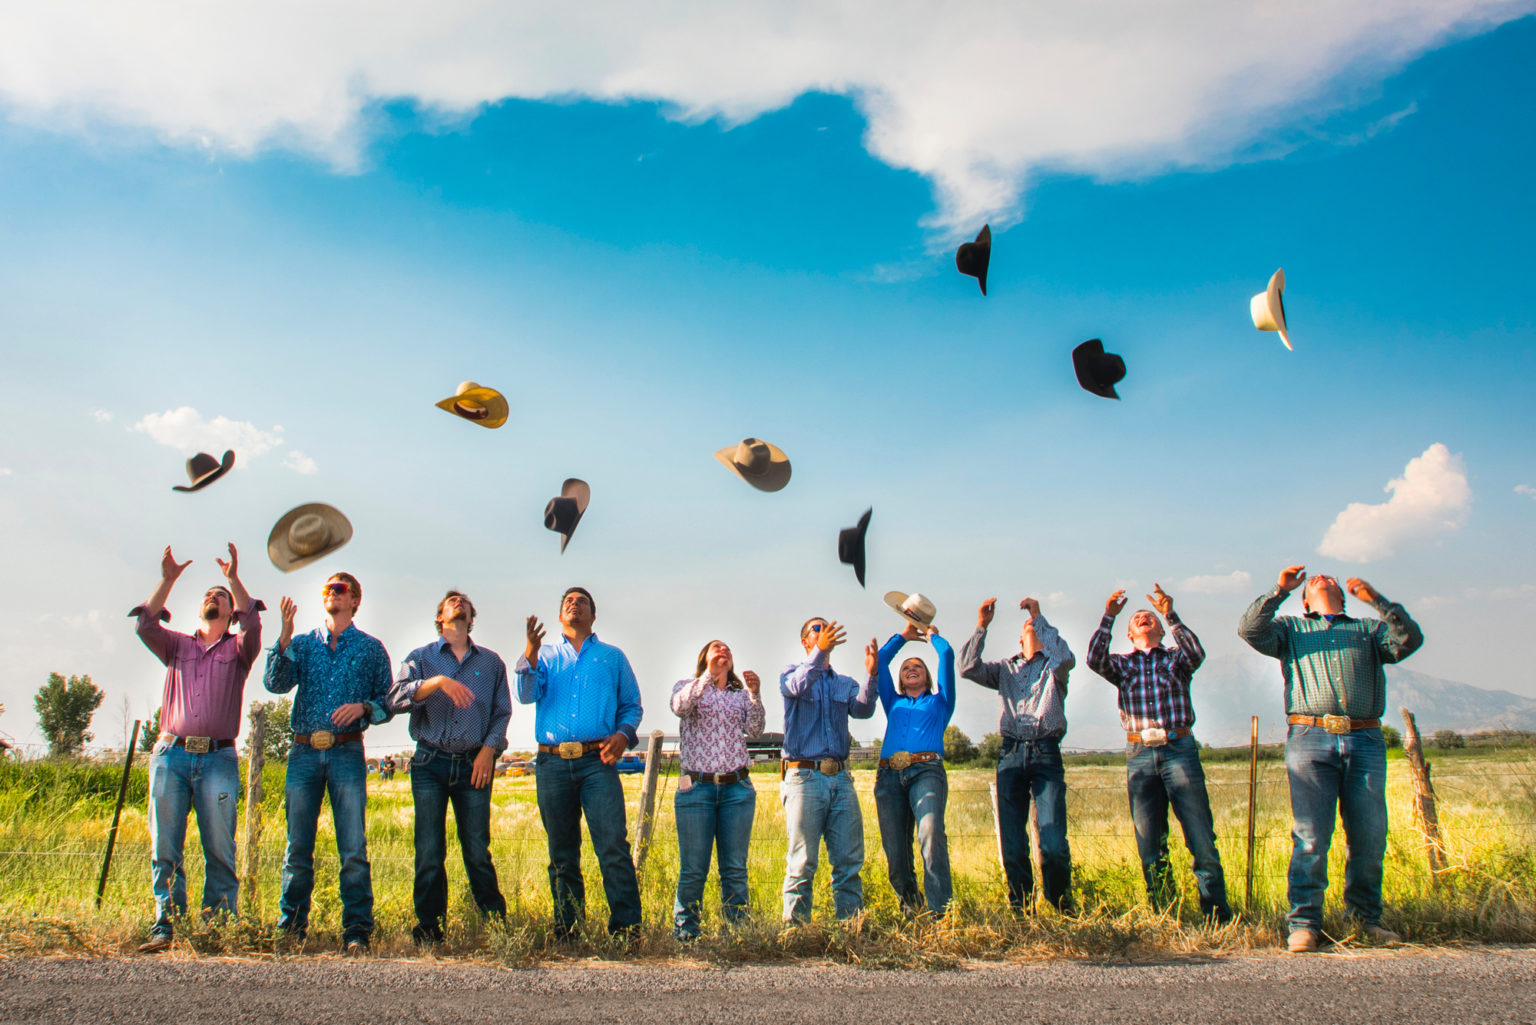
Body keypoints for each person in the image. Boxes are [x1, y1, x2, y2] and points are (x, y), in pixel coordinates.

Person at [1239, 566, 1424, 953]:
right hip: (1310, 736)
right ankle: (1305, 924)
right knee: (1310, 836)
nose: (1321, 577)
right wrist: (1280, 589)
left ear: (1342, 593)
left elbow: (1408, 640)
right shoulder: (1291, 629)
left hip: (1365, 737)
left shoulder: (1369, 631)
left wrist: (1377, 601)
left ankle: (1365, 920)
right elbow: (1250, 630)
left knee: (1369, 836)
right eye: (1313, 581)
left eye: (1329, 578)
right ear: (1305, 600)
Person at [129, 543, 263, 953]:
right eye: (209, 595)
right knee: (165, 844)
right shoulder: (178, 646)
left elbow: (255, 626)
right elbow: (145, 626)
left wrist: (232, 580)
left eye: (219, 598)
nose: (213, 598)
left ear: (230, 612)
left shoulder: (239, 649)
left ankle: (219, 926)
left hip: (219, 758)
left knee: (220, 846)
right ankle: (166, 923)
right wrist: (168, 579)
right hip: (172, 754)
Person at [264, 572, 394, 954]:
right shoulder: (303, 644)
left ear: (355, 600)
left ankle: (356, 931)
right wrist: (284, 637)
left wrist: (363, 707)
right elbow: (275, 684)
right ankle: (291, 929)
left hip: (346, 752)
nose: (330, 593)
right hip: (304, 753)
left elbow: (388, 703)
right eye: (326, 589)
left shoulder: (371, 649)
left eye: (338, 589)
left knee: (352, 846)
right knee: (297, 847)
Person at [1087, 584, 1231, 923]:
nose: (1143, 617)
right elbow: (1095, 659)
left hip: (1178, 747)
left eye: (1149, 617)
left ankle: (1217, 916)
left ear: (1161, 629)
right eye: (1138, 618)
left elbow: (1196, 652)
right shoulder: (1122, 666)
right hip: (1139, 752)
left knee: (1200, 836)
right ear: (1129, 633)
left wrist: (1169, 612)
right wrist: (1108, 616)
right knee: (1150, 842)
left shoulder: (1176, 659)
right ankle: (1165, 916)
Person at [516, 586, 643, 938]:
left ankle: (627, 933)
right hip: (553, 763)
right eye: (568, 601)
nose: (575, 604)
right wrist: (530, 650)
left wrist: (623, 734)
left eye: (582, 601)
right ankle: (568, 932)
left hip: (596, 762)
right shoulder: (544, 656)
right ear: (560, 615)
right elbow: (526, 696)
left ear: (593, 615)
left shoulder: (612, 657)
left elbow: (632, 704)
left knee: (613, 847)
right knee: (562, 853)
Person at [389, 590, 512, 946]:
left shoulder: (490, 663)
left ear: (471, 617)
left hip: (475, 763)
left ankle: (497, 929)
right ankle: (429, 930)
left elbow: (502, 712)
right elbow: (395, 698)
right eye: (450, 602)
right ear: (440, 618)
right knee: (429, 849)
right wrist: (438, 682)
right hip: (430, 761)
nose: (458, 604)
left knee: (476, 849)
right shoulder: (421, 658)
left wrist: (490, 750)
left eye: (464, 603)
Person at [959, 596, 1075, 913]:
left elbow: (1064, 655)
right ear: (1019, 638)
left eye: (1038, 628)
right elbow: (967, 667)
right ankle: (1021, 910)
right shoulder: (1005, 670)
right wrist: (982, 625)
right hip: (1010, 754)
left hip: (1045, 752)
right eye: (1028, 628)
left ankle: (1061, 906)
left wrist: (1037, 615)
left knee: (1052, 843)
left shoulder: (1054, 668)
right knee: (1012, 845)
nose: (1033, 629)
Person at [778, 617, 878, 923]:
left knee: (848, 860)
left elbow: (863, 710)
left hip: (841, 778)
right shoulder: (790, 675)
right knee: (803, 861)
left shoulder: (844, 683)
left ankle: (850, 929)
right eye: (816, 629)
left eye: (826, 627)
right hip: (804, 777)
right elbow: (797, 686)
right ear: (806, 641)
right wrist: (819, 656)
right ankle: (795, 932)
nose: (824, 632)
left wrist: (872, 676)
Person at [669, 639, 766, 940]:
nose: (723, 652)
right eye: (716, 649)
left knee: (734, 868)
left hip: (736, 789)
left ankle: (736, 935)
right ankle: (686, 935)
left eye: (727, 649)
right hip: (696, 788)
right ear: (704, 658)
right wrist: (707, 677)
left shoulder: (739, 695)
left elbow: (756, 730)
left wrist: (755, 694)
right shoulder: (688, 685)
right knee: (694, 869)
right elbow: (679, 707)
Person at [871, 621, 956, 917]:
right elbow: (880, 660)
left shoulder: (941, 702)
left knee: (930, 834)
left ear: (927, 676)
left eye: (918, 665)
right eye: (906, 667)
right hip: (889, 776)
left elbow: (946, 657)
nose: (911, 668)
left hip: (926, 771)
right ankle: (911, 909)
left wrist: (933, 637)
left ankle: (940, 913)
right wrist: (904, 637)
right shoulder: (892, 701)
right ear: (900, 679)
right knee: (895, 851)